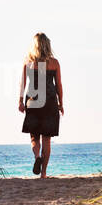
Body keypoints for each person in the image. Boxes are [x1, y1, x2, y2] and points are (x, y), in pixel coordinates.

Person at [17, 32, 63, 178]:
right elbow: (59, 85)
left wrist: (19, 101)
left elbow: (23, 83)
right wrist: (61, 103)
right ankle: (43, 173)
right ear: (47, 45)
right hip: (49, 101)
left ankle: (37, 157)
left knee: (34, 137)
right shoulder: (54, 63)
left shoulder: (28, 62)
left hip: (33, 101)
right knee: (47, 139)